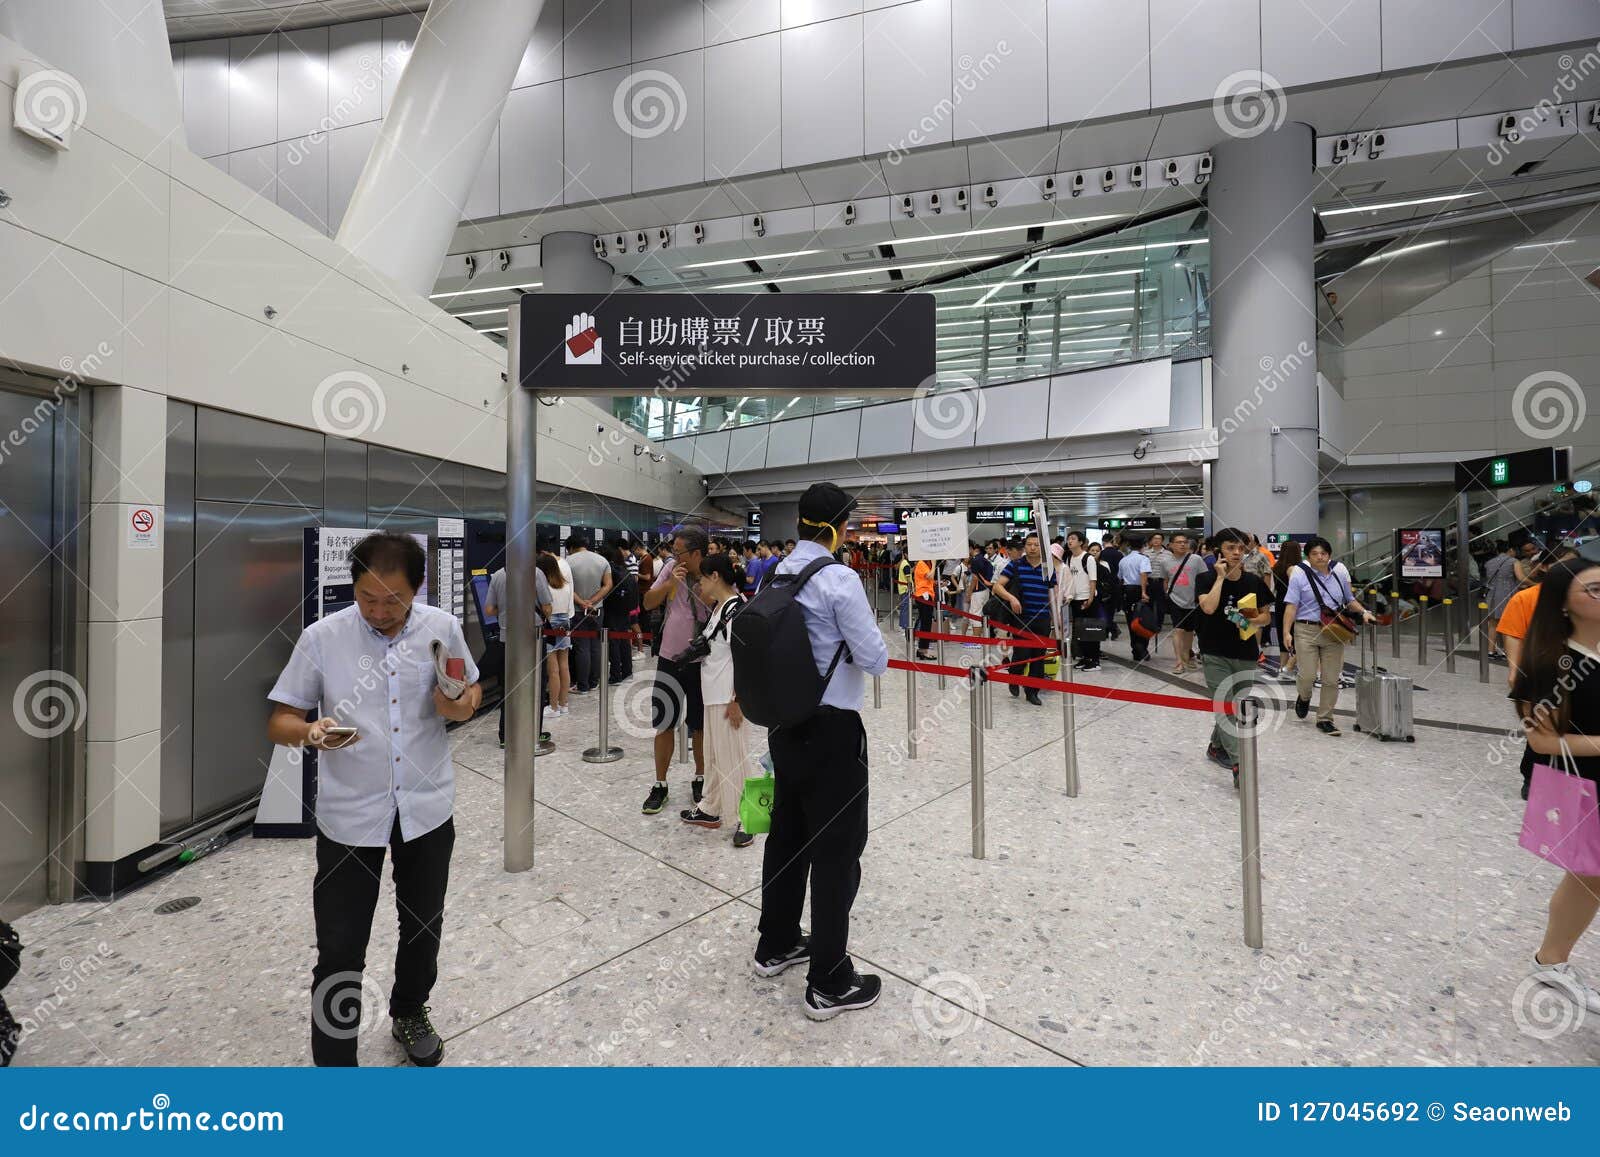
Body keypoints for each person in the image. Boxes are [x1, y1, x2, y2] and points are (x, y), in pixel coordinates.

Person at [267, 532, 481, 1066]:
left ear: (418, 588)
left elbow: (468, 696)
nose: (380, 611)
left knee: (423, 925)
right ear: (353, 584)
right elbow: (279, 721)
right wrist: (311, 732)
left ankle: (410, 1010)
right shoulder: (323, 638)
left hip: (426, 809)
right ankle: (336, 1063)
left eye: (394, 600)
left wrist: (456, 703)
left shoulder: (442, 629)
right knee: (339, 947)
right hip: (349, 817)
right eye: (368, 597)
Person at [754, 482, 889, 1020]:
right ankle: (830, 981)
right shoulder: (839, 578)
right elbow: (875, 659)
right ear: (835, 527)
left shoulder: (779, 570)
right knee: (836, 854)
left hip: (784, 728)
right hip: (833, 733)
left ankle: (777, 942)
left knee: (786, 837)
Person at [1511, 556, 1600, 1018]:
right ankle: (1552, 958)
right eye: (1595, 590)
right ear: (1565, 604)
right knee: (1589, 875)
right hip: (1582, 780)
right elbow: (1542, 738)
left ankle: (1551, 958)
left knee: (1591, 876)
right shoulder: (1550, 661)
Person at [678, 552, 756, 848]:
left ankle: (746, 818)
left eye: (701, 579)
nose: (698, 585)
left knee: (734, 759)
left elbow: (747, 659)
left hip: (728, 698)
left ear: (715, 577)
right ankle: (711, 807)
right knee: (713, 756)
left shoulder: (737, 610)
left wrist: (738, 700)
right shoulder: (717, 609)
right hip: (713, 694)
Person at [1194, 528, 1274, 785]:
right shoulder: (1205, 578)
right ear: (1219, 551)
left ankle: (1216, 747)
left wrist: (1250, 620)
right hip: (1214, 652)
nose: (1237, 552)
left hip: (1245, 653)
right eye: (1231, 548)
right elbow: (1208, 607)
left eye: (1240, 548)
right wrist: (1220, 578)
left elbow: (1266, 616)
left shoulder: (1253, 582)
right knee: (1224, 705)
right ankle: (1240, 763)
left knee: (1235, 706)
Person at [641, 525, 710, 814]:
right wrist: (670, 585)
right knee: (664, 722)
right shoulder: (670, 568)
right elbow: (647, 603)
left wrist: (702, 590)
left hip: (702, 662)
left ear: (695, 554)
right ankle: (660, 784)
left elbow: (722, 608)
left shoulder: (712, 572)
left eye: (680, 551)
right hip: (670, 657)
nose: (674, 555)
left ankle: (701, 778)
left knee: (700, 725)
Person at [1281, 537, 1377, 736]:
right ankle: (1304, 696)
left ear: (1329, 555)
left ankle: (1325, 719)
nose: (1320, 557)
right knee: (1307, 676)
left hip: (1333, 630)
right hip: (1305, 630)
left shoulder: (1339, 572)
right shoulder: (1299, 573)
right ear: (1308, 556)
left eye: (1323, 553)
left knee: (1331, 679)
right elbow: (1291, 605)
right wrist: (1286, 632)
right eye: (1315, 554)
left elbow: (1349, 600)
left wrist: (1364, 612)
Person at [486, 557, 555, 741]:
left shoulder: (498, 575)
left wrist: (506, 611)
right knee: (536, 684)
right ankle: (534, 732)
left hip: (506, 638)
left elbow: (490, 609)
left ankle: (505, 736)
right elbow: (547, 607)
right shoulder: (536, 573)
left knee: (508, 686)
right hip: (532, 638)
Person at [993, 531, 1058, 705]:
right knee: (1022, 654)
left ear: (1042, 547)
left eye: (1036, 545)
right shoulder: (1015, 565)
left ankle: (1032, 692)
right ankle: (1014, 678)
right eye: (1029, 544)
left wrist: (1056, 616)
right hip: (1021, 618)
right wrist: (1012, 598)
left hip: (1042, 618)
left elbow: (1054, 593)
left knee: (1038, 656)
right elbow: (997, 587)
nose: (1032, 548)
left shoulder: (1048, 568)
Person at [564, 535, 612, 694]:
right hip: (598, 610)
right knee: (595, 646)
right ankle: (593, 682)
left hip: (578, 611)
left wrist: (582, 602)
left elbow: (566, 587)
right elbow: (608, 585)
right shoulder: (602, 560)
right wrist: (593, 601)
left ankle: (582, 686)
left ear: (570, 548)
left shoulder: (568, 562)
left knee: (581, 648)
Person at [532, 553, 571, 717]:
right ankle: (563, 704)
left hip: (550, 622)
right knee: (564, 665)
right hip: (565, 620)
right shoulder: (565, 584)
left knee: (552, 669)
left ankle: (553, 707)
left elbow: (544, 606)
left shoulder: (544, 586)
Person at [1164, 532, 1202, 674]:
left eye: (1185, 542)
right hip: (1175, 600)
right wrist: (1167, 593)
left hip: (1193, 601)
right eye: (1179, 542)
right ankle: (1179, 662)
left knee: (1189, 632)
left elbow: (1203, 578)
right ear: (1171, 545)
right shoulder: (1165, 562)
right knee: (1178, 630)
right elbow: (1165, 580)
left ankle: (1187, 657)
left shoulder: (1196, 559)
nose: (1182, 544)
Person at [600, 544, 638, 683]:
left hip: (612, 610)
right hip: (625, 610)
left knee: (613, 643)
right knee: (624, 641)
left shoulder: (609, 570)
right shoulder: (624, 569)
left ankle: (615, 675)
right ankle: (627, 672)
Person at [1063, 531, 1100, 672]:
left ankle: (1095, 661)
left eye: (1073, 539)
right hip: (1075, 599)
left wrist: (1090, 598)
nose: (1070, 541)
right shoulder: (1069, 558)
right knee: (1080, 631)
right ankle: (1085, 658)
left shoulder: (1088, 558)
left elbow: (1093, 579)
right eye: (1068, 539)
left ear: (1081, 542)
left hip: (1087, 599)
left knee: (1091, 630)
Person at [1269, 540, 1304, 681]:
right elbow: (1295, 589)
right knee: (1298, 638)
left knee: (1283, 636)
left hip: (1279, 603)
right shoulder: (1293, 568)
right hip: (1292, 604)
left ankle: (1282, 667)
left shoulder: (1276, 567)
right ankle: (1288, 667)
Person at [1118, 536, 1153, 661]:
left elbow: (1120, 577)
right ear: (1143, 546)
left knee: (1131, 621)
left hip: (1127, 591)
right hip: (1140, 590)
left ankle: (1135, 649)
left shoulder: (1124, 560)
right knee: (1144, 619)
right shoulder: (1144, 558)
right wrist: (1144, 591)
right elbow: (1143, 574)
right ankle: (1142, 647)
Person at [1485, 540, 1519, 660]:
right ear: (1510, 550)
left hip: (1492, 595)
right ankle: (1506, 652)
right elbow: (1521, 578)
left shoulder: (1489, 563)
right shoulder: (1513, 561)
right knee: (1507, 623)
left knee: (1492, 624)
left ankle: (1490, 651)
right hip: (1507, 594)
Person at [966, 540, 994, 639]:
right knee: (982, 613)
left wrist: (969, 592)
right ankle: (981, 636)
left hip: (978, 590)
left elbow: (974, 578)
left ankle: (976, 637)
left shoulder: (975, 560)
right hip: (985, 589)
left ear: (970, 548)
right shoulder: (983, 558)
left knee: (975, 613)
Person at [912, 554, 937, 661]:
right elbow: (930, 576)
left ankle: (922, 649)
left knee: (925, 622)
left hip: (925, 595)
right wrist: (934, 563)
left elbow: (928, 579)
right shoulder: (922, 563)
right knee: (926, 623)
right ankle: (923, 650)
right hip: (923, 595)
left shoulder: (924, 564)